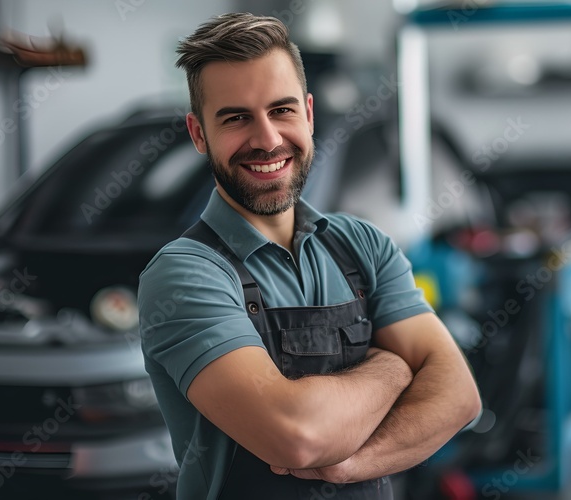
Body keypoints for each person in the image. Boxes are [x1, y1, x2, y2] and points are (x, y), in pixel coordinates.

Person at [137, 12, 481, 499]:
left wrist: (348, 464)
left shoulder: (363, 245)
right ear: (198, 134)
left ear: (309, 114)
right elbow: (297, 437)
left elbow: (459, 398)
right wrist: (395, 368)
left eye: (282, 110)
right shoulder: (186, 273)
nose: (268, 139)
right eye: (236, 118)